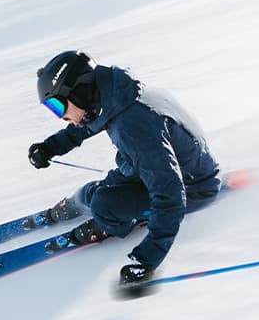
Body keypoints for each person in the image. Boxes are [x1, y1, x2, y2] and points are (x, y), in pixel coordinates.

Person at [28, 50, 221, 296]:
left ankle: (112, 225)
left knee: (103, 204)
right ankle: (81, 202)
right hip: (157, 167)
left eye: (57, 105)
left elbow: (170, 195)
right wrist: (49, 147)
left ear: (78, 91)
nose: (62, 116)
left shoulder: (133, 125)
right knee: (93, 193)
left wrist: (146, 262)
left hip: (193, 186)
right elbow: (86, 126)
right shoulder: (117, 95)